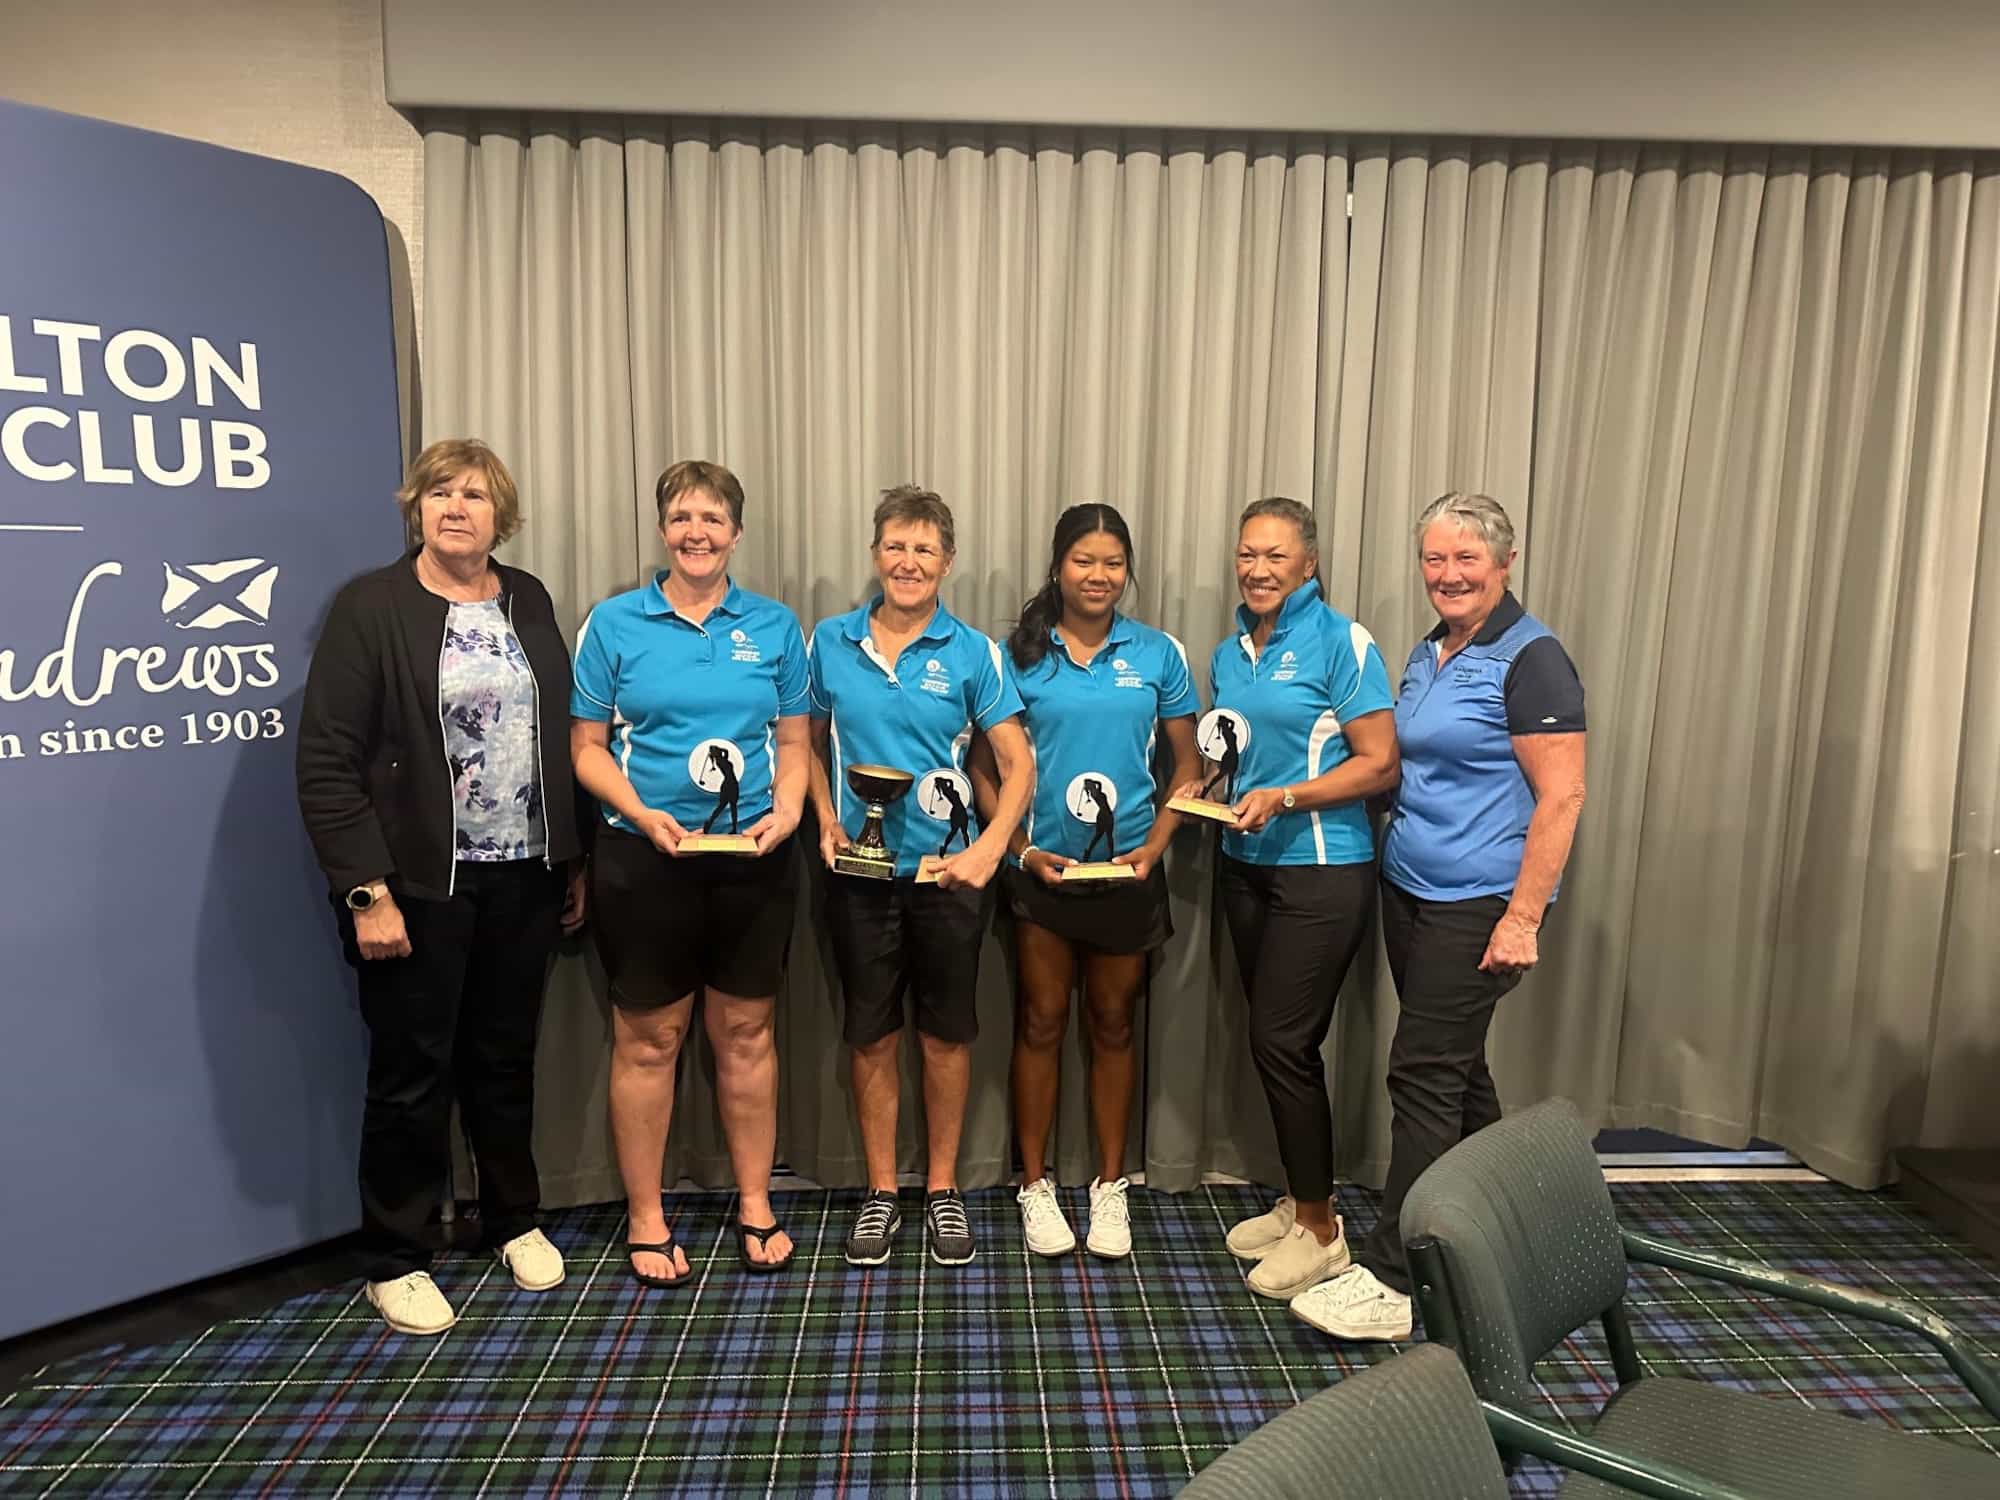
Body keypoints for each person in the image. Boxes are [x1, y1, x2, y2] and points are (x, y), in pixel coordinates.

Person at [298, 438, 588, 1336]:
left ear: (502, 514)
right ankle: (398, 1254)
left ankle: (513, 1217)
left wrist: (571, 860)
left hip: (526, 875)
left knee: (504, 1058)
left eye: (475, 494)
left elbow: (560, 739)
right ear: (415, 508)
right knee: (411, 1071)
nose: (457, 507)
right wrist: (366, 891)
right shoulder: (370, 606)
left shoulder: (528, 597)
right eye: (440, 493)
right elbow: (326, 762)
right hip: (419, 885)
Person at [1292, 491, 1585, 1341]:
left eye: (1467, 560)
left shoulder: (1534, 660)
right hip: (1410, 892)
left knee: (1422, 1073)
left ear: (1505, 563)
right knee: (1459, 1077)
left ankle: (1395, 1278)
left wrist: (1523, 916)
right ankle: (1509, 1232)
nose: (1448, 575)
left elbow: (1562, 795)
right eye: (1435, 560)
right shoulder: (1432, 650)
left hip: (1481, 900)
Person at [570, 460, 810, 1284]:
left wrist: (788, 813)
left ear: (737, 533)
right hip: (644, 859)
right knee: (650, 1039)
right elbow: (587, 751)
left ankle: (754, 1201)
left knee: (745, 1036)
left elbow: (794, 742)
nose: (696, 532)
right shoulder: (612, 624)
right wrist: (641, 814)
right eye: (681, 517)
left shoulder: (776, 627)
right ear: (663, 530)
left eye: (712, 518)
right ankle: (646, 1216)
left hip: (753, 861)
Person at [806, 485, 1034, 1268]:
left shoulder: (974, 651)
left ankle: (940, 1190)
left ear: (948, 561)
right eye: (896, 547)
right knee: (871, 1033)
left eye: (925, 549)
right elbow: (802, 741)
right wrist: (827, 824)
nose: (909, 562)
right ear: (876, 555)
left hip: (947, 876)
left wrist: (990, 850)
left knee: (946, 1032)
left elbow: (1018, 762)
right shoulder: (829, 642)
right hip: (859, 875)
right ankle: (880, 1193)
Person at [969, 503, 1199, 1259]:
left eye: (1112, 563)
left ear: (1126, 571)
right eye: (1083, 561)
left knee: (1115, 1024)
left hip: (1128, 873)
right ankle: (1034, 1185)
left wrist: (1157, 845)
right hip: (1042, 873)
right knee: (1038, 1021)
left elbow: (1187, 767)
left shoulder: (1159, 652)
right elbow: (983, 767)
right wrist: (1021, 849)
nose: (1098, 576)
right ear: (1058, 566)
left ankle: (1110, 1186)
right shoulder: (1015, 655)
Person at [1192, 497, 1400, 1301]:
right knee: (1272, 1042)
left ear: (1308, 564)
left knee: (1285, 1043)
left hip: (1322, 868)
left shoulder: (1342, 641)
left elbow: (1379, 764)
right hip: (1245, 864)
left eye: (1276, 556)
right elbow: (1238, 757)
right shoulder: (1230, 651)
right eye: (1247, 554)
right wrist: (1205, 790)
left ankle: (1320, 1229)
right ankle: (1297, 1200)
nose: (1258, 569)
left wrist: (1285, 798)